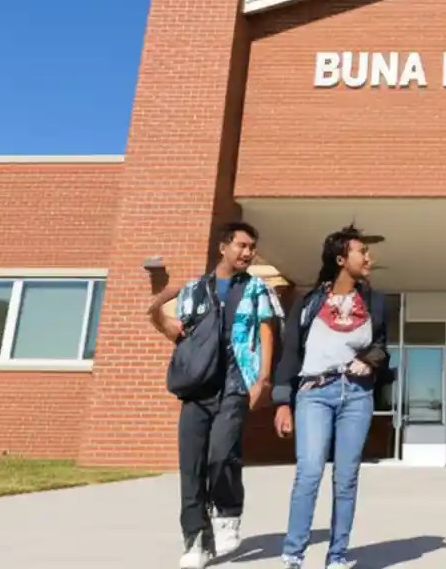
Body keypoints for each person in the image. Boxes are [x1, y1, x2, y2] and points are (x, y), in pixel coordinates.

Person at [148, 221, 281, 569]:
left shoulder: (258, 288)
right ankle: (195, 540)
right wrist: (157, 311)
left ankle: (227, 512)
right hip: (197, 389)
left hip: (236, 384)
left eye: (252, 247)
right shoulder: (194, 290)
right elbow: (176, 333)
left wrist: (264, 379)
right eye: (242, 245)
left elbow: (266, 331)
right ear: (223, 247)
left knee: (221, 454)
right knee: (191, 466)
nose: (248, 253)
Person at [272, 224, 393, 569]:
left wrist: (369, 361)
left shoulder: (375, 302)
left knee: (346, 478)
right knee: (309, 472)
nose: (369, 258)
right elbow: (290, 353)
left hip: (356, 396)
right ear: (341, 259)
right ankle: (293, 554)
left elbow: (382, 348)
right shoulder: (309, 302)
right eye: (362, 252)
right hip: (314, 393)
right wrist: (282, 401)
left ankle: (337, 556)